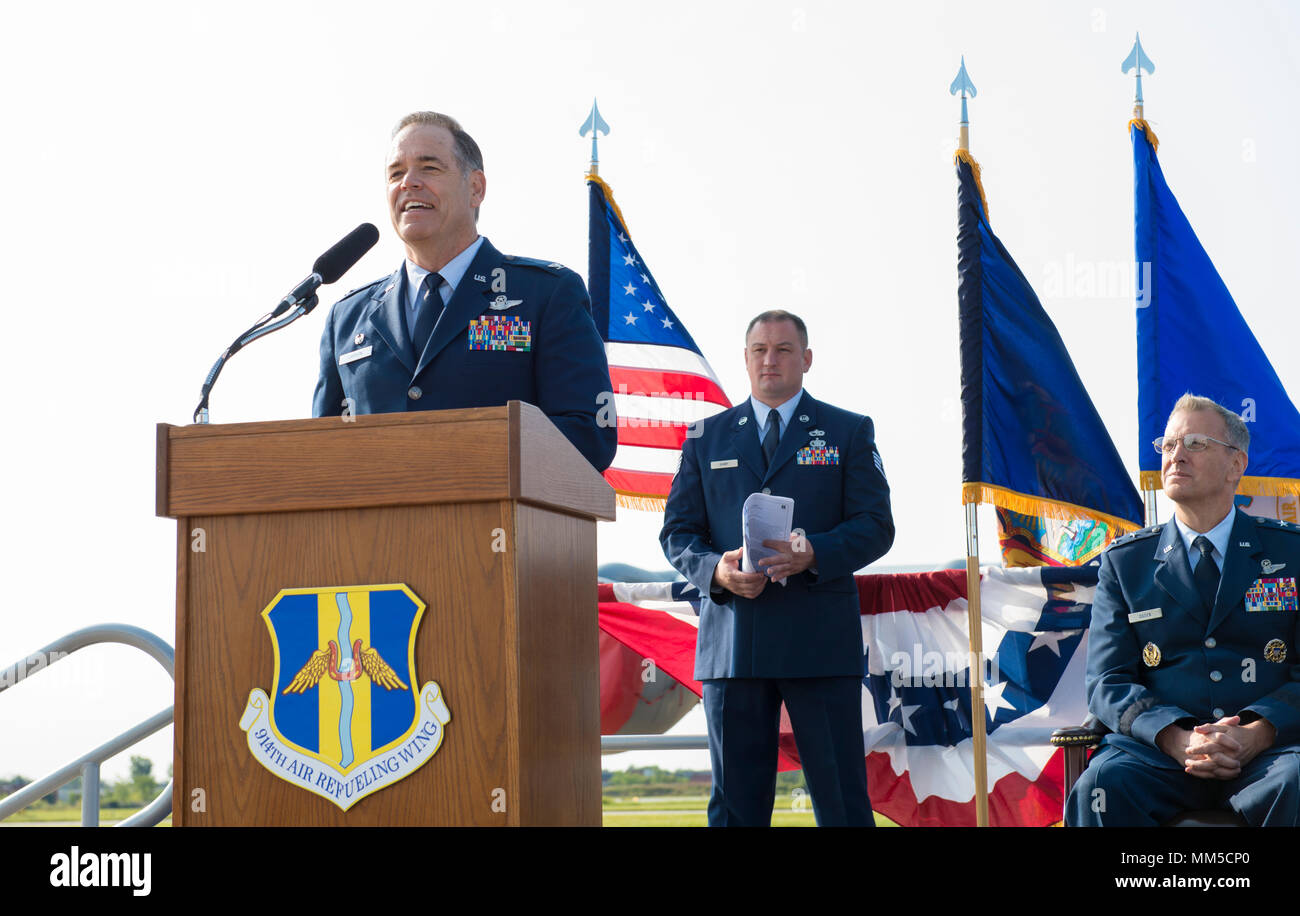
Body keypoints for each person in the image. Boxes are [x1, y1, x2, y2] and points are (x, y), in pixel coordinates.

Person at [659, 310, 894, 826]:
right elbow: (676, 535)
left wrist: (816, 553)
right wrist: (715, 573)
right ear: (745, 360)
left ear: (806, 360)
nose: (771, 360)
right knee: (736, 809)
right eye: (760, 349)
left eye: (784, 349)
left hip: (818, 644)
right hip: (733, 647)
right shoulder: (706, 437)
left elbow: (877, 526)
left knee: (842, 802)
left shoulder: (847, 430)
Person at [313, 111, 618, 472]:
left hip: (498, 526)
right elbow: (322, 455)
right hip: (374, 530)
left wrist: (453, 454)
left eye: (429, 168)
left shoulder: (546, 294)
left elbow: (589, 436)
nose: (408, 183)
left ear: (476, 188)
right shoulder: (347, 318)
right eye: (395, 173)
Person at [1066, 394, 1300, 826]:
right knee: (1102, 785)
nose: (1176, 456)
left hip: (1273, 753)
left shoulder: (1292, 552)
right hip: (1159, 756)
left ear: (1236, 464)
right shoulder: (1126, 562)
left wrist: (1257, 732)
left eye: (1194, 443)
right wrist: (1175, 738)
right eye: (1168, 445)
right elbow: (1107, 680)